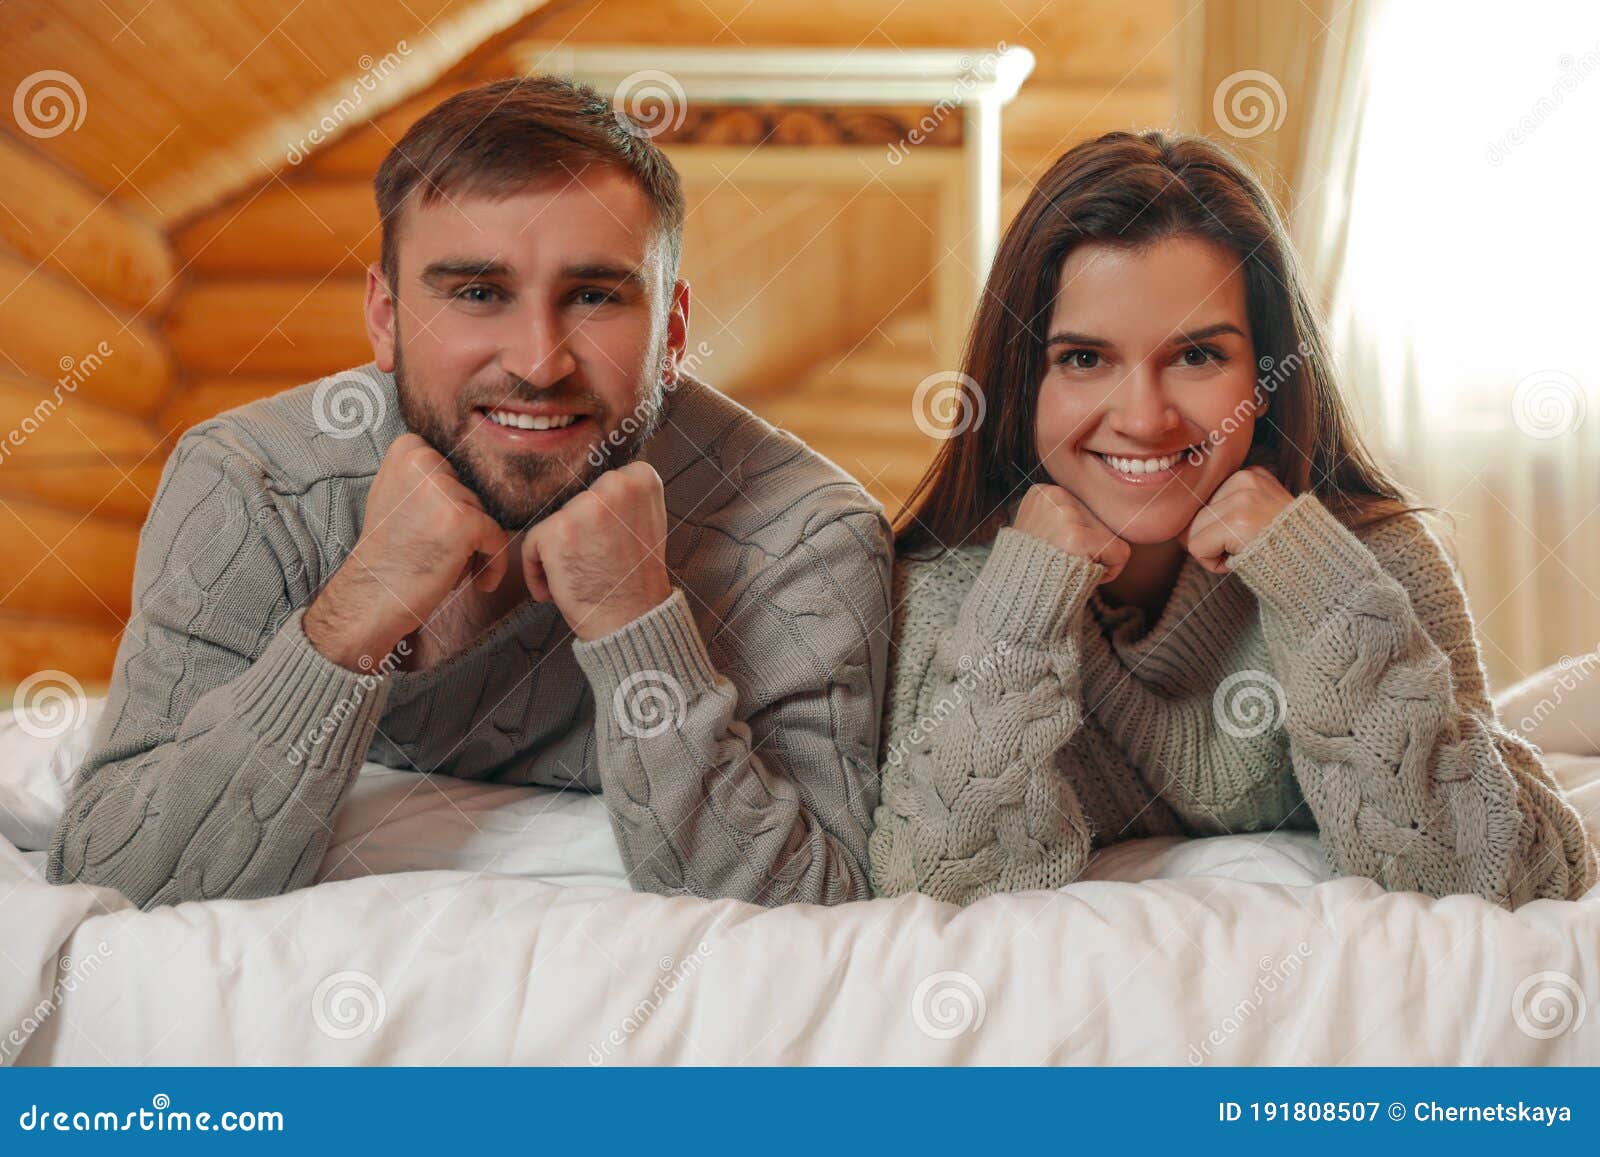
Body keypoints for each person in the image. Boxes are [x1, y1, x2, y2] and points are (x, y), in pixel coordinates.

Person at [49, 77, 892, 910]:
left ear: (671, 333)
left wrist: (637, 626)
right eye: (478, 293)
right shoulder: (255, 481)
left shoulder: (805, 534)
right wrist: (358, 608)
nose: (537, 361)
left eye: (594, 295)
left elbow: (818, 917)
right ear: (384, 318)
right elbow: (114, 876)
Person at [868, 130, 1598, 909]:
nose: (1144, 418)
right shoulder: (954, 589)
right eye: (1085, 359)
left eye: (1198, 357)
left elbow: (1501, 880)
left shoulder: (1367, 557)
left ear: (1272, 372)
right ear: (1021, 380)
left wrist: (1315, 584)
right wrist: (1025, 604)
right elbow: (932, 890)